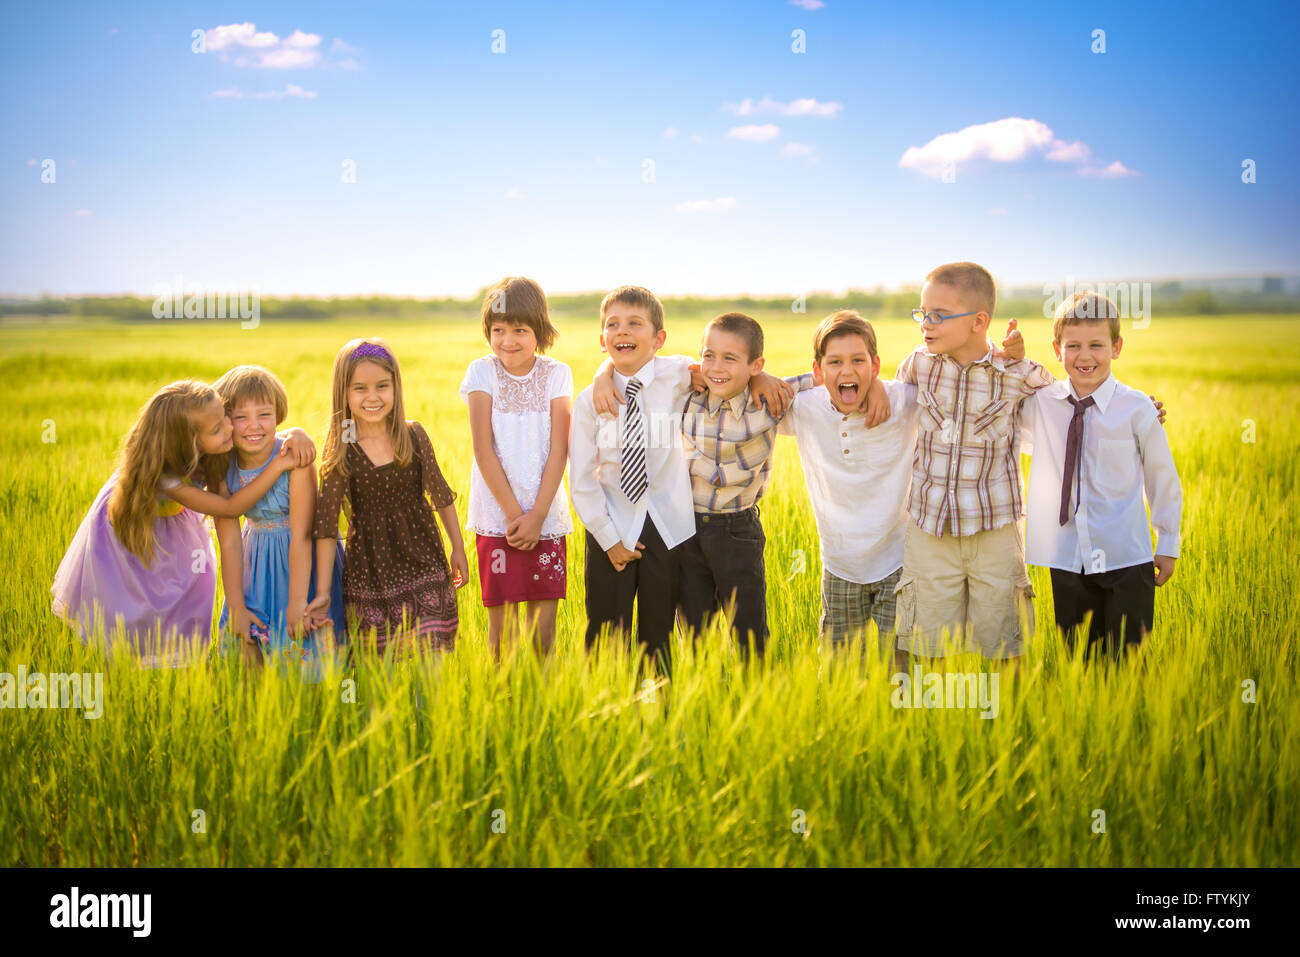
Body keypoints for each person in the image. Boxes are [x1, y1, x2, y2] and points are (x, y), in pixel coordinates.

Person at [51, 379, 314, 667]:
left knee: (190, 589)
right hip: (130, 538)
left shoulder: (210, 436)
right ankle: (128, 670)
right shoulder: (166, 476)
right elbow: (230, 508)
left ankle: (180, 667)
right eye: (218, 429)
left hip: (173, 528)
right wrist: (278, 465)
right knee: (133, 605)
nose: (230, 429)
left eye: (226, 418)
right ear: (188, 443)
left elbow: (260, 429)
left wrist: (296, 433)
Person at [1022, 291, 1181, 655]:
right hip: (1066, 558)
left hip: (1127, 555)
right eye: (1073, 345)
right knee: (1080, 661)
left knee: (1129, 661)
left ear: (1116, 347)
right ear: (1057, 349)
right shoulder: (1043, 404)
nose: (1085, 356)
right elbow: (1000, 420)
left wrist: (1167, 543)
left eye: (1097, 344)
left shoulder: (1137, 408)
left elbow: (1163, 479)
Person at [312, 338, 469, 654]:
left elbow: (440, 495)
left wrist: (458, 548)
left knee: (433, 652)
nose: (373, 397)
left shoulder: (413, 435)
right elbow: (327, 528)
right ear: (342, 392)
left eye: (382, 386)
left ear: (396, 387)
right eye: (360, 389)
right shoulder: (342, 450)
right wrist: (323, 592)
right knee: (380, 664)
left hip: (425, 559)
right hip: (371, 571)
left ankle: (432, 706)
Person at [460, 277, 573, 658]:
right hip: (499, 518)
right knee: (502, 633)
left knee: (544, 630)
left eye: (520, 330)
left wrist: (538, 515)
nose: (508, 340)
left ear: (539, 331)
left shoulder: (557, 373)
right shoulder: (482, 371)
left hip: (547, 517)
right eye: (498, 330)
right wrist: (515, 517)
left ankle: (541, 701)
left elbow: (560, 448)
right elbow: (483, 448)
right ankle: (505, 704)